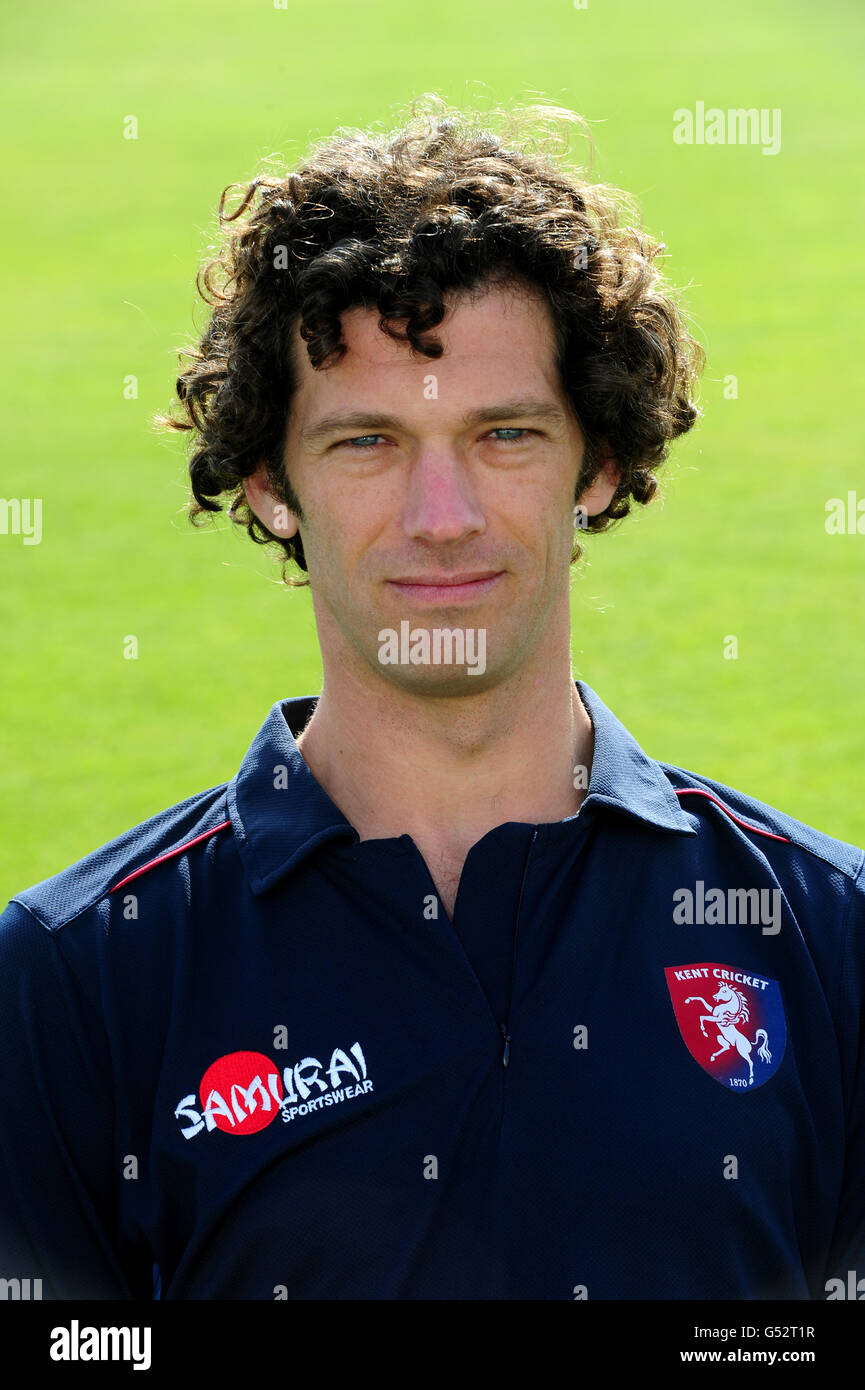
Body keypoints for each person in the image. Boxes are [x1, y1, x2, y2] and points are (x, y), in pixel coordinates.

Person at [1, 96, 862, 1302]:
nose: (441, 517)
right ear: (268, 483)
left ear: (599, 461)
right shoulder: (75, 975)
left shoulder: (825, 936)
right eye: (366, 443)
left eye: (503, 433)